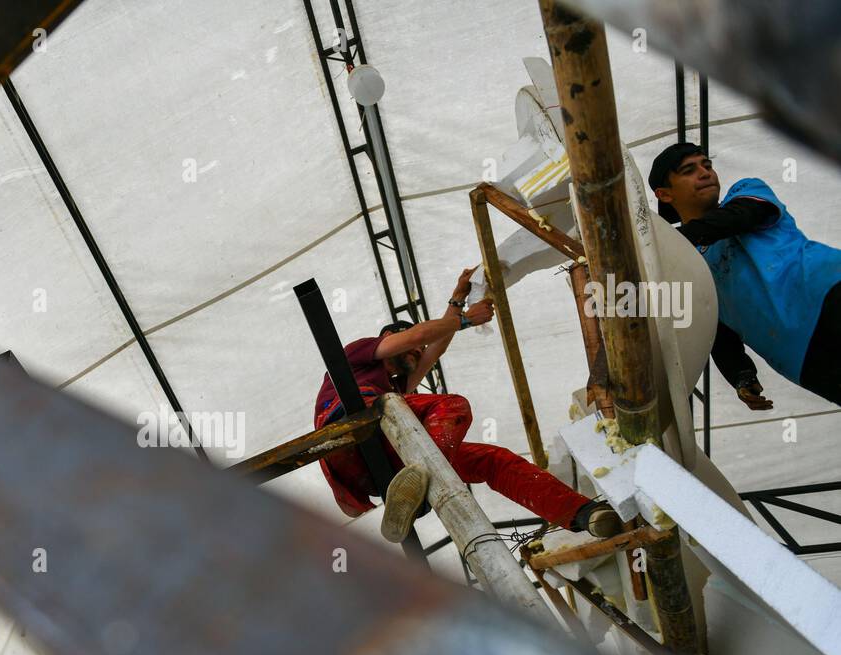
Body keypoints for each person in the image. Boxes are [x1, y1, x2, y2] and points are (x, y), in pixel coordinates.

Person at [314, 267, 622, 543]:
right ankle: (422, 491)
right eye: (410, 345)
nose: (418, 351)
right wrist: (464, 320)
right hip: (350, 430)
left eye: (418, 350)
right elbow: (421, 334)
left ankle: (582, 513)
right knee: (453, 407)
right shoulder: (360, 354)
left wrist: (458, 297)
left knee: (493, 459)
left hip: (378, 461)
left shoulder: (395, 387)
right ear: (390, 336)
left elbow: (434, 346)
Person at [650, 143, 841, 407]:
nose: (705, 173)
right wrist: (741, 374)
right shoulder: (687, 265)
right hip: (803, 361)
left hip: (828, 294)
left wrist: (662, 245)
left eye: (707, 165)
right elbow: (715, 329)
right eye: (689, 170)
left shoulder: (746, 191)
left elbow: (737, 218)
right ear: (664, 194)